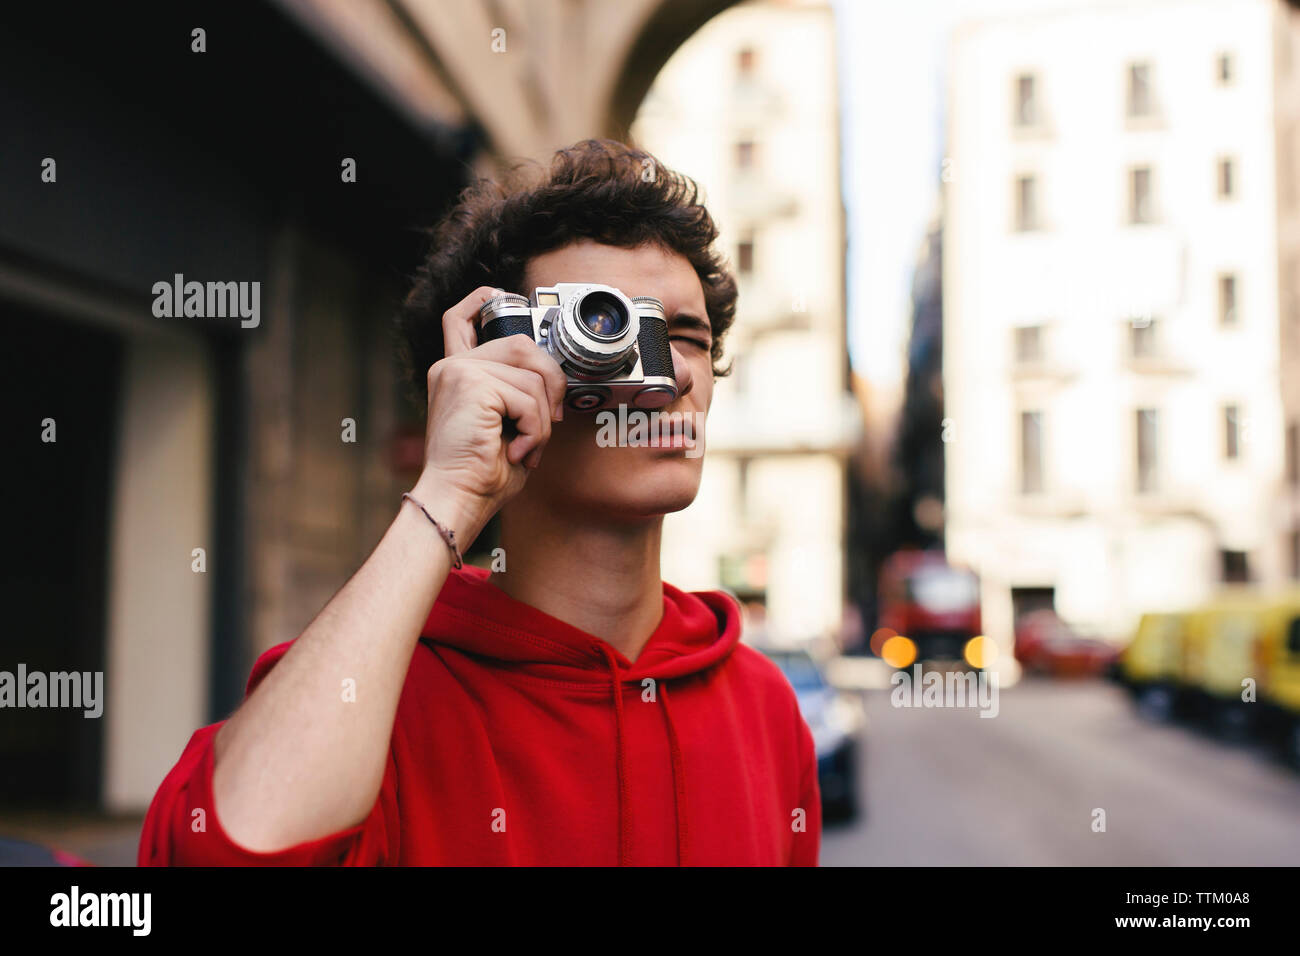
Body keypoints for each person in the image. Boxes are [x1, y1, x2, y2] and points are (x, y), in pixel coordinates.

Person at [138, 138, 821, 866]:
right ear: (488, 368)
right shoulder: (369, 691)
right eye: (606, 326)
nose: (671, 375)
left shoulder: (765, 704)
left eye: (685, 336)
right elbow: (227, 849)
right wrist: (447, 491)